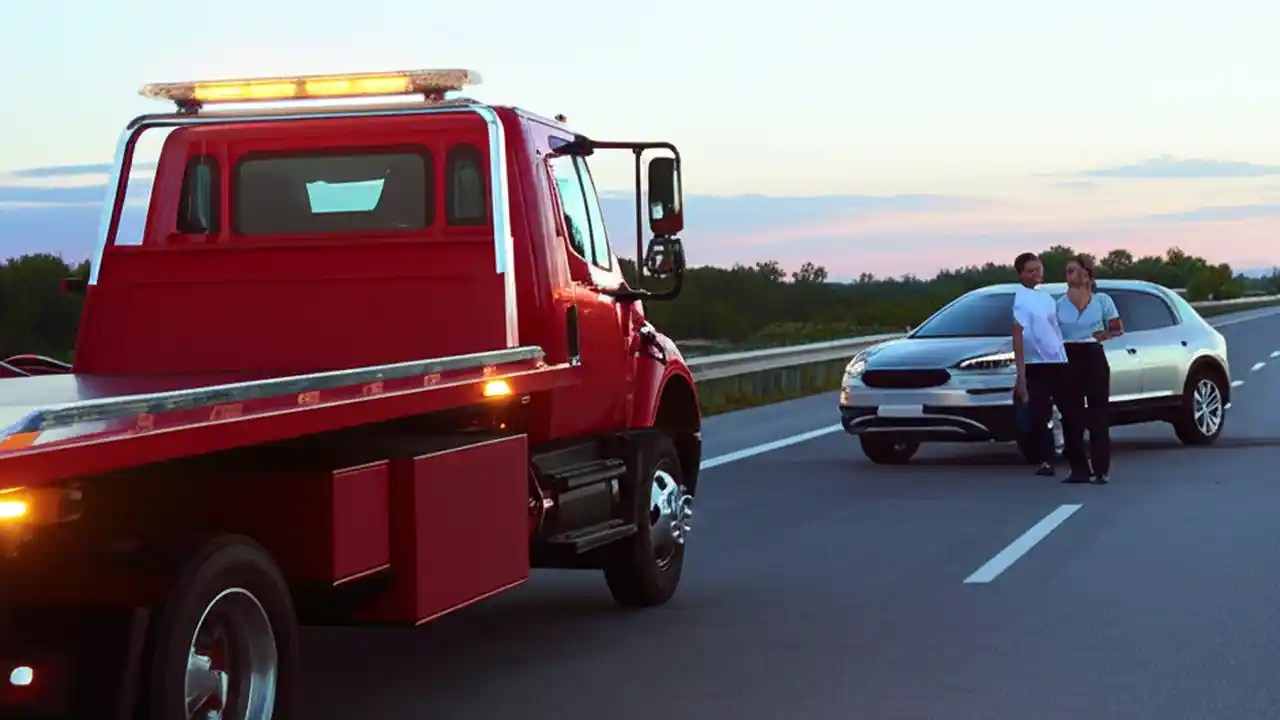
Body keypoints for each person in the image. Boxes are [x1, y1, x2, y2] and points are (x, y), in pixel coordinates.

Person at [1011, 252, 1085, 478]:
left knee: (1069, 410)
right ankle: (1045, 459)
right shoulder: (1021, 299)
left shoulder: (1046, 298)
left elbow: (1055, 330)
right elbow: (1018, 336)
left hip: (1057, 360)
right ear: (1021, 274)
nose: (1036, 274)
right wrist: (1021, 376)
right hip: (1036, 364)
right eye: (1030, 271)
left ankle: (1076, 454)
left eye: (1038, 269)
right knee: (1040, 414)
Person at [1056, 254, 1123, 484]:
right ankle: (1078, 469)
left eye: (1073, 271)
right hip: (1068, 357)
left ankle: (1101, 469)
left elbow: (1117, 328)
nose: (1068, 276)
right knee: (1071, 416)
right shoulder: (1059, 304)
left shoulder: (1102, 301)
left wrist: (1103, 334)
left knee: (1098, 414)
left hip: (1093, 355)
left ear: (1086, 275)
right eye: (1067, 272)